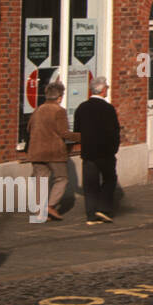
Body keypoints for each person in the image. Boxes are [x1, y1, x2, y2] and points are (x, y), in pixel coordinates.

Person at [26, 81, 79, 222]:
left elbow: (29, 128)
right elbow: (64, 133)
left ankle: (39, 212)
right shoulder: (59, 111)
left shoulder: (37, 110)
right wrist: (83, 136)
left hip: (36, 151)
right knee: (62, 179)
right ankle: (50, 206)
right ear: (60, 97)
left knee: (40, 180)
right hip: (54, 152)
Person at [74, 76, 121, 225]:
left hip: (88, 153)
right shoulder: (108, 109)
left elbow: (77, 131)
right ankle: (103, 208)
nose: (107, 89)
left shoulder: (82, 107)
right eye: (106, 87)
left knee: (90, 184)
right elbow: (114, 131)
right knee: (110, 179)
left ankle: (90, 215)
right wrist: (114, 148)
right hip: (106, 152)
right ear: (103, 90)